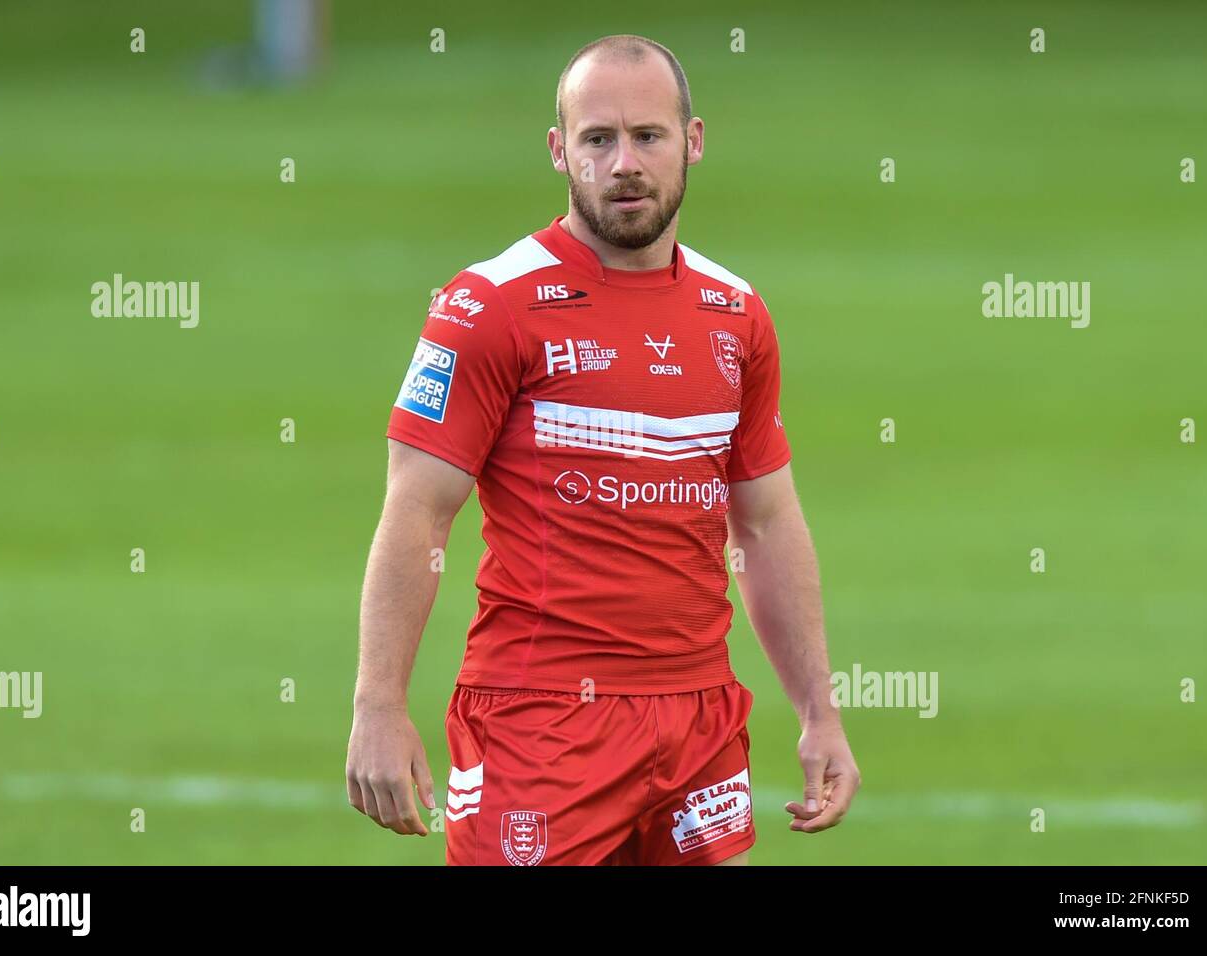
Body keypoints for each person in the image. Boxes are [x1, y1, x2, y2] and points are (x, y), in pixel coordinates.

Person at [346, 34, 860, 866]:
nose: (624, 163)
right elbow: (417, 509)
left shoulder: (736, 314)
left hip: (698, 719)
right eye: (598, 139)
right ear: (560, 152)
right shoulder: (489, 306)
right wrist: (379, 705)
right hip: (539, 720)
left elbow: (765, 523)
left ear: (693, 141)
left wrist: (818, 711)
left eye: (648, 137)